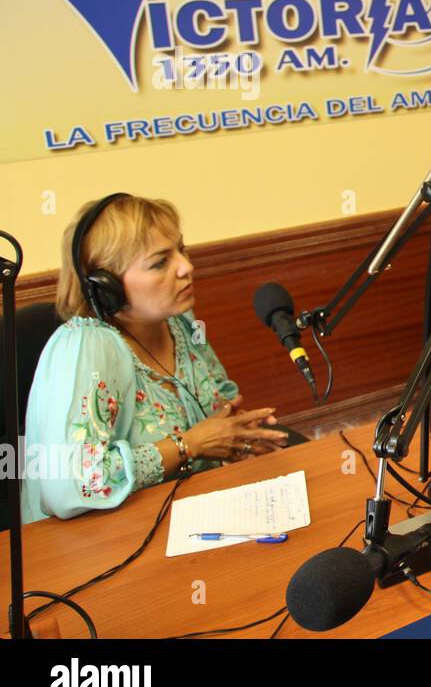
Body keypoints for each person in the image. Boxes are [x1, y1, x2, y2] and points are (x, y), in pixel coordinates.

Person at [21, 194, 287, 523]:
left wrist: (239, 433)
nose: (186, 267)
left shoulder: (181, 322)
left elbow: (219, 409)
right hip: (99, 545)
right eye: (160, 262)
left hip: (188, 515)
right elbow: (73, 485)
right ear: (106, 287)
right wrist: (188, 445)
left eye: (182, 249)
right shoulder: (85, 347)